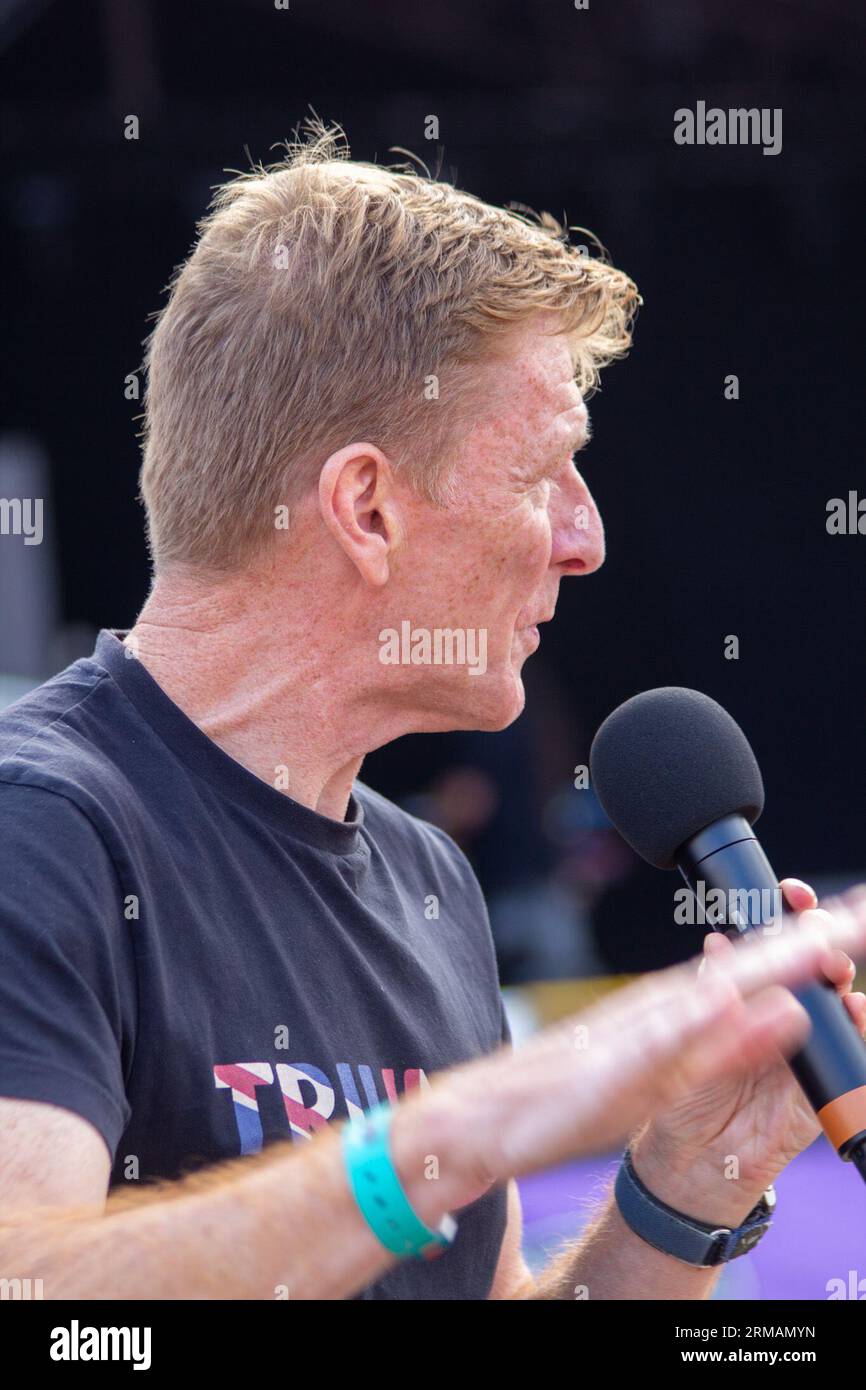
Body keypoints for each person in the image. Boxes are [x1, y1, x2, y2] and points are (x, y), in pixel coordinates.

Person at [1, 122, 864, 1301]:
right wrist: (465, 1127)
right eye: (542, 473)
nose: (584, 537)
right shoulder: (40, 829)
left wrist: (684, 1184)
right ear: (366, 508)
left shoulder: (426, 881)